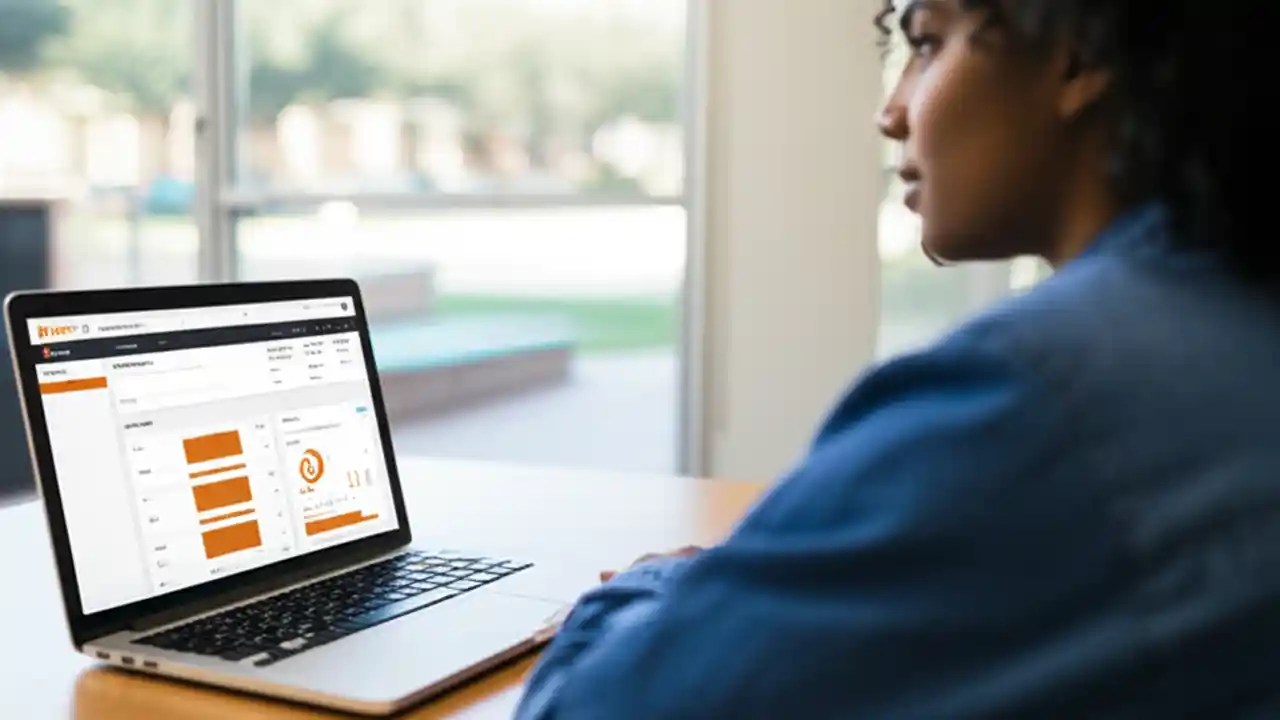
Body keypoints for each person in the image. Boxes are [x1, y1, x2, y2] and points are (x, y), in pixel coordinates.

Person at [514, 0, 1277, 716]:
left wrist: (661, 588)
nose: (891, 112)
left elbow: (588, 707)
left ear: (1079, 57)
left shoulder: (1037, 391)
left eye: (927, 44)